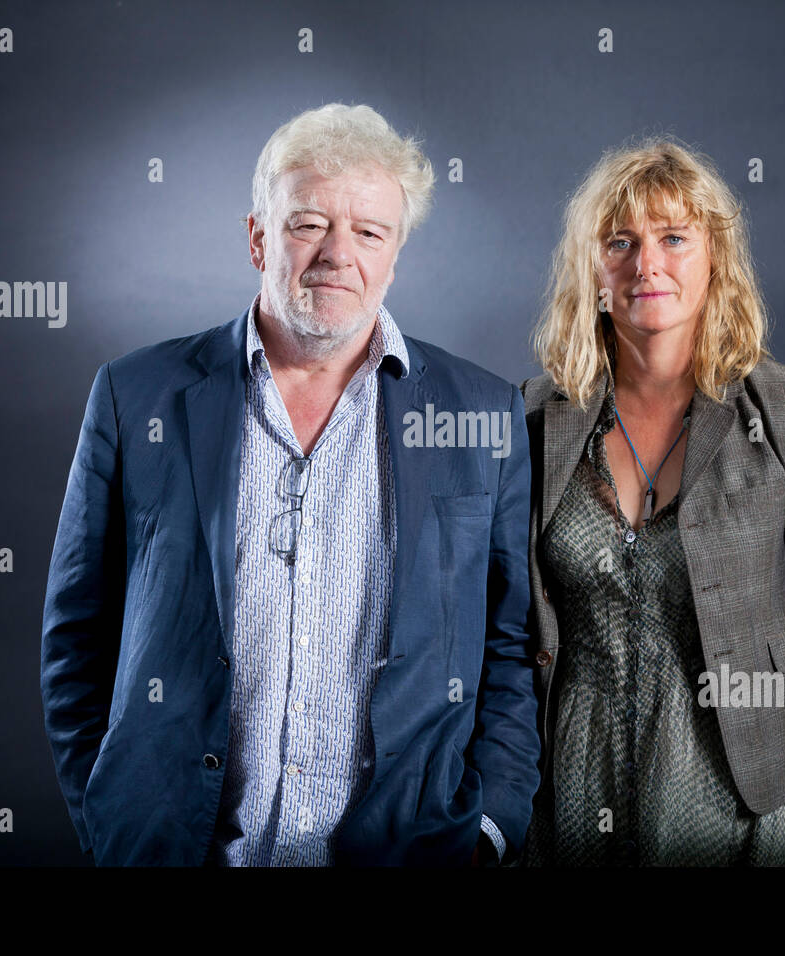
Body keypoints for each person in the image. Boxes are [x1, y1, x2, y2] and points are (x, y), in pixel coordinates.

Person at [40, 103, 540, 866]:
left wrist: (491, 826)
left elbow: (510, 647)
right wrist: (111, 820)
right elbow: (78, 633)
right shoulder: (135, 397)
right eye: (309, 223)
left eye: (369, 232)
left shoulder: (482, 414)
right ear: (257, 238)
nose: (339, 254)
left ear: (395, 255)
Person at [519, 137, 785, 866]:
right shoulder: (536, 418)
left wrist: (775, 759)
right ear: (592, 271)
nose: (646, 264)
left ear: (714, 256)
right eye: (619, 242)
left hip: (731, 795)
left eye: (674, 238)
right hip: (565, 786)